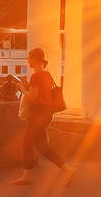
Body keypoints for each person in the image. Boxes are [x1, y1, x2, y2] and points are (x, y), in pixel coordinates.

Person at [13, 46, 74, 187]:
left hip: (38, 114)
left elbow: (32, 97)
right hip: (46, 113)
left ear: (35, 59)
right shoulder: (47, 75)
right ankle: (67, 169)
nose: (28, 60)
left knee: (27, 142)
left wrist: (22, 88)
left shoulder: (36, 76)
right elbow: (41, 94)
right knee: (42, 146)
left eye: (29, 57)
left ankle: (27, 176)